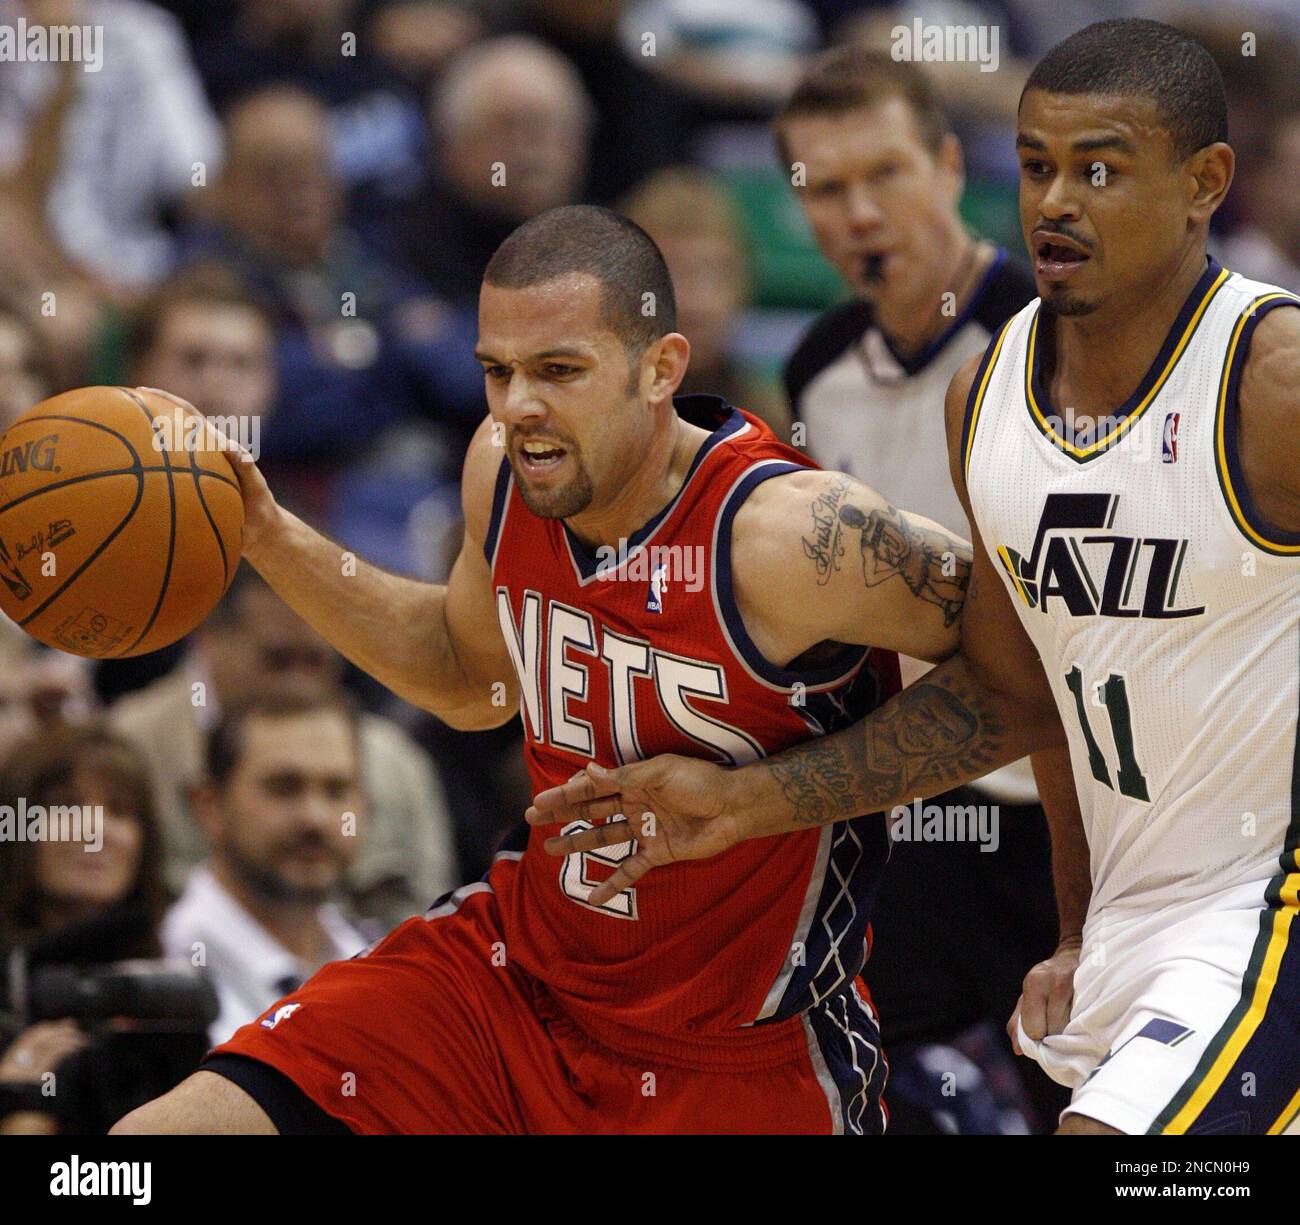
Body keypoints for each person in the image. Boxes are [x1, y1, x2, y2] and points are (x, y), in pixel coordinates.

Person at [112, 203, 1042, 1135]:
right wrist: (267, 534)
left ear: (660, 369)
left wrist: (751, 802)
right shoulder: (502, 472)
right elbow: (468, 679)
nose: (519, 405)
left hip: (741, 1050)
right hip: (516, 979)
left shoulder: (796, 536)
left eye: (558, 371)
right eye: (498, 371)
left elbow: (1027, 686)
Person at [527, 20, 1300, 1137]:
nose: (1056, 202)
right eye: (1035, 166)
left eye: (1098, 170)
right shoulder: (985, 399)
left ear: (1204, 184)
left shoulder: (1271, 380)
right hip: (1121, 907)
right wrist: (741, 804)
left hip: (1263, 902)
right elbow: (1016, 696)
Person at [775, 44, 1061, 1130]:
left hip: (1065, 814)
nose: (858, 214)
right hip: (912, 811)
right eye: (826, 189)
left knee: (1098, 1104)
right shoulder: (817, 367)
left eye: (884, 174)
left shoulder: (1052, 337)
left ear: (947, 166)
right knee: (838, 1089)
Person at [110, 565, 459, 930]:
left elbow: (432, 920)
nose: (299, 682)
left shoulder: (398, 765)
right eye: (279, 659)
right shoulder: (132, 747)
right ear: (207, 639)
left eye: (315, 660)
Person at [0, 726, 206, 1134]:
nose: (97, 830)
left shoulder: (170, 992)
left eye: (121, 811)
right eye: (66, 807)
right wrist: (17, 1099)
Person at [162, 693, 371, 1045]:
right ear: (209, 806)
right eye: (284, 789)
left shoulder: (376, 957)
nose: (315, 818)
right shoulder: (165, 966)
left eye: (336, 790)